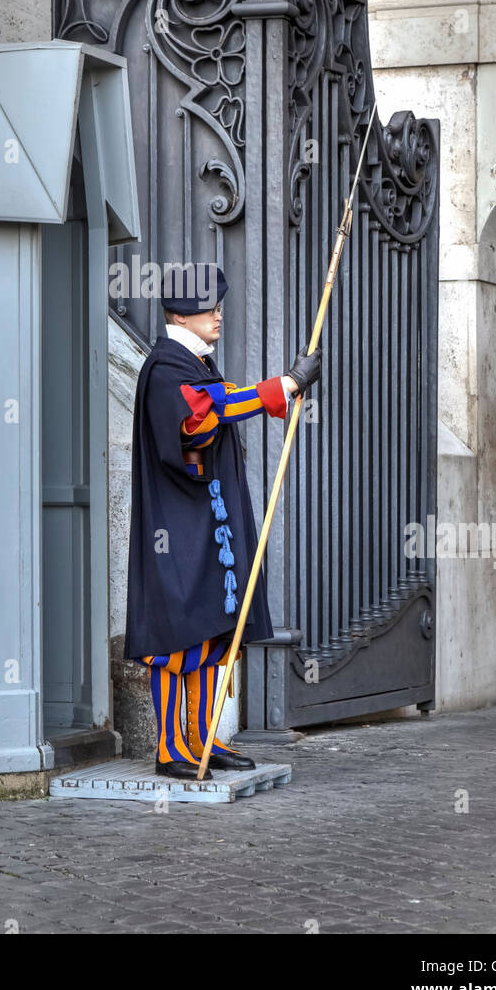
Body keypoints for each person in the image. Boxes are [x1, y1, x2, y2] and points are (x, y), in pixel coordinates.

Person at [124, 262, 321, 780]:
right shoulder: (168, 367)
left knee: (212, 634)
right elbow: (201, 413)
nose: (218, 315)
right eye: (209, 307)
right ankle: (172, 748)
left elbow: (223, 399)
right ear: (183, 314)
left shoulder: (195, 363)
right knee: (177, 641)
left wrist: (283, 389)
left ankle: (203, 740)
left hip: (206, 528)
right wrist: (278, 386)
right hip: (177, 533)